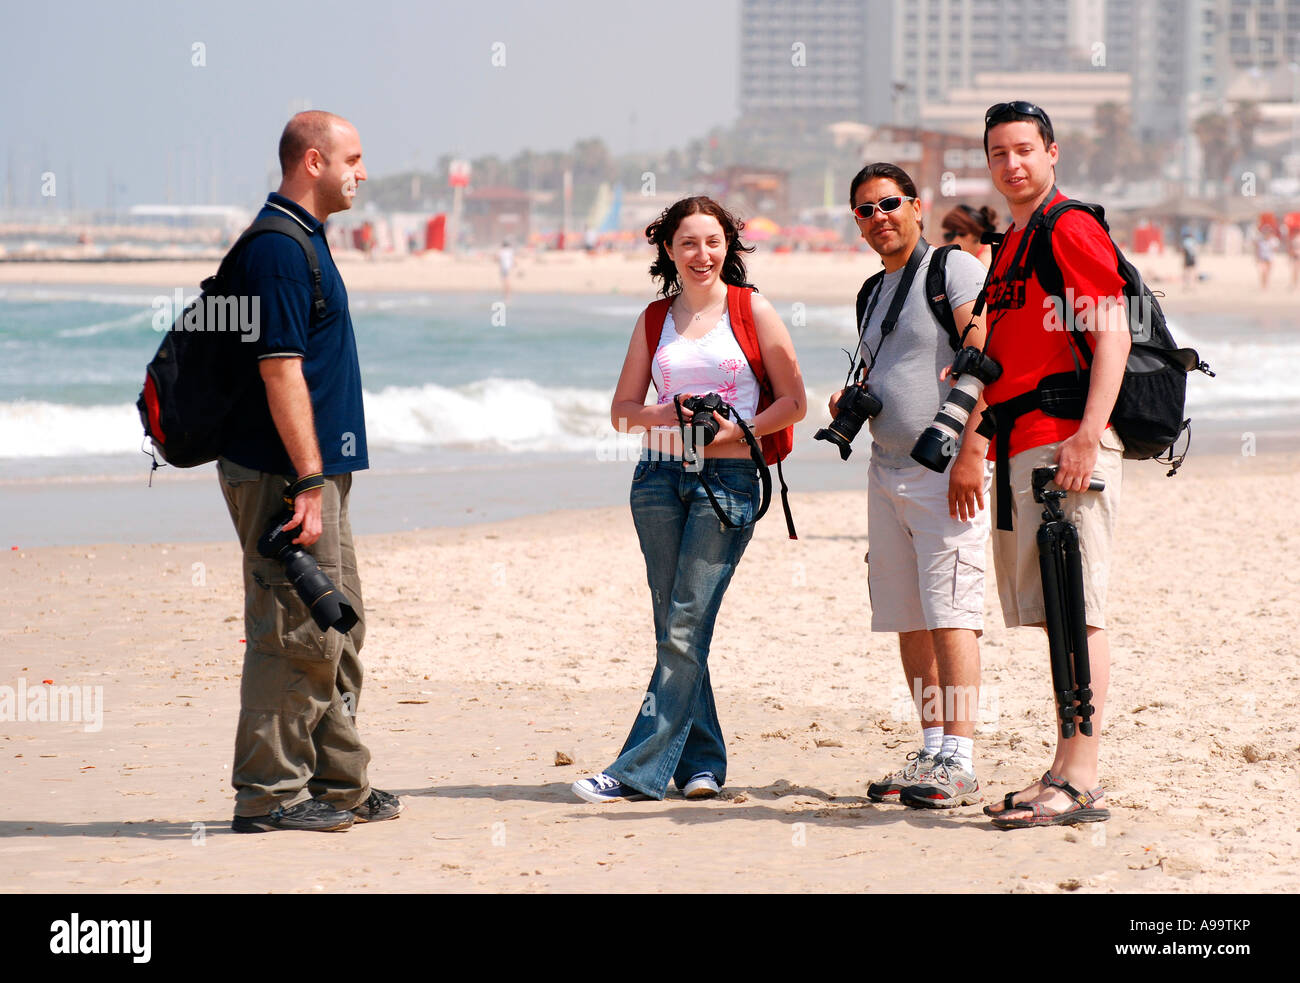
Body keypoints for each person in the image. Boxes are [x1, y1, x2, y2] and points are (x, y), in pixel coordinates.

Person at [572, 196, 806, 802]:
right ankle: (701, 764)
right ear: (669, 251)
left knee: (684, 623)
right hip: (656, 478)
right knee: (673, 625)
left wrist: (736, 430)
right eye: (688, 244)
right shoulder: (654, 319)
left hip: (726, 483)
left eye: (712, 242)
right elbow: (623, 413)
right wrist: (666, 411)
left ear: (729, 246)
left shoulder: (752, 309)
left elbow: (794, 403)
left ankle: (635, 771)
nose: (702, 255)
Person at [217, 111, 402, 833]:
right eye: (354, 158)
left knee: (337, 625)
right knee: (294, 632)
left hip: (312, 473)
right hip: (283, 474)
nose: (364, 172)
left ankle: (340, 783)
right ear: (315, 161)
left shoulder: (303, 240)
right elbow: (278, 368)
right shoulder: (278, 250)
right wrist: (307, 479)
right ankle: (268, 796)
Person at [977, 101, 1128, 829]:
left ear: (1052, 153)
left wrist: (1088, 435)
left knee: (1081, 608)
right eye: (1000, 152)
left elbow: (1114, 334)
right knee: (1053, 613)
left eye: (1025, 149)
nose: (1013, 163)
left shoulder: (1069, 226)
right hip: (1023, 447)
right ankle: (1064, 765)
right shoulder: (1013, 242)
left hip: (1066, 439)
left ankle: (1084, 776)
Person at [829, 163, 992, 809]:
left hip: (945, 470)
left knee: (952, 612)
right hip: (885, 470)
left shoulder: (953, 269)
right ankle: (930, 746)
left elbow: (984, 351)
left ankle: (961, 757)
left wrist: (973, 450)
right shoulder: (872, 291)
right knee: (908, 616)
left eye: (889, 203)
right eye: (865, 210)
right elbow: (888, 369)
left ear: (918, 206)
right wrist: (851, 398)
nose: (879, 217)